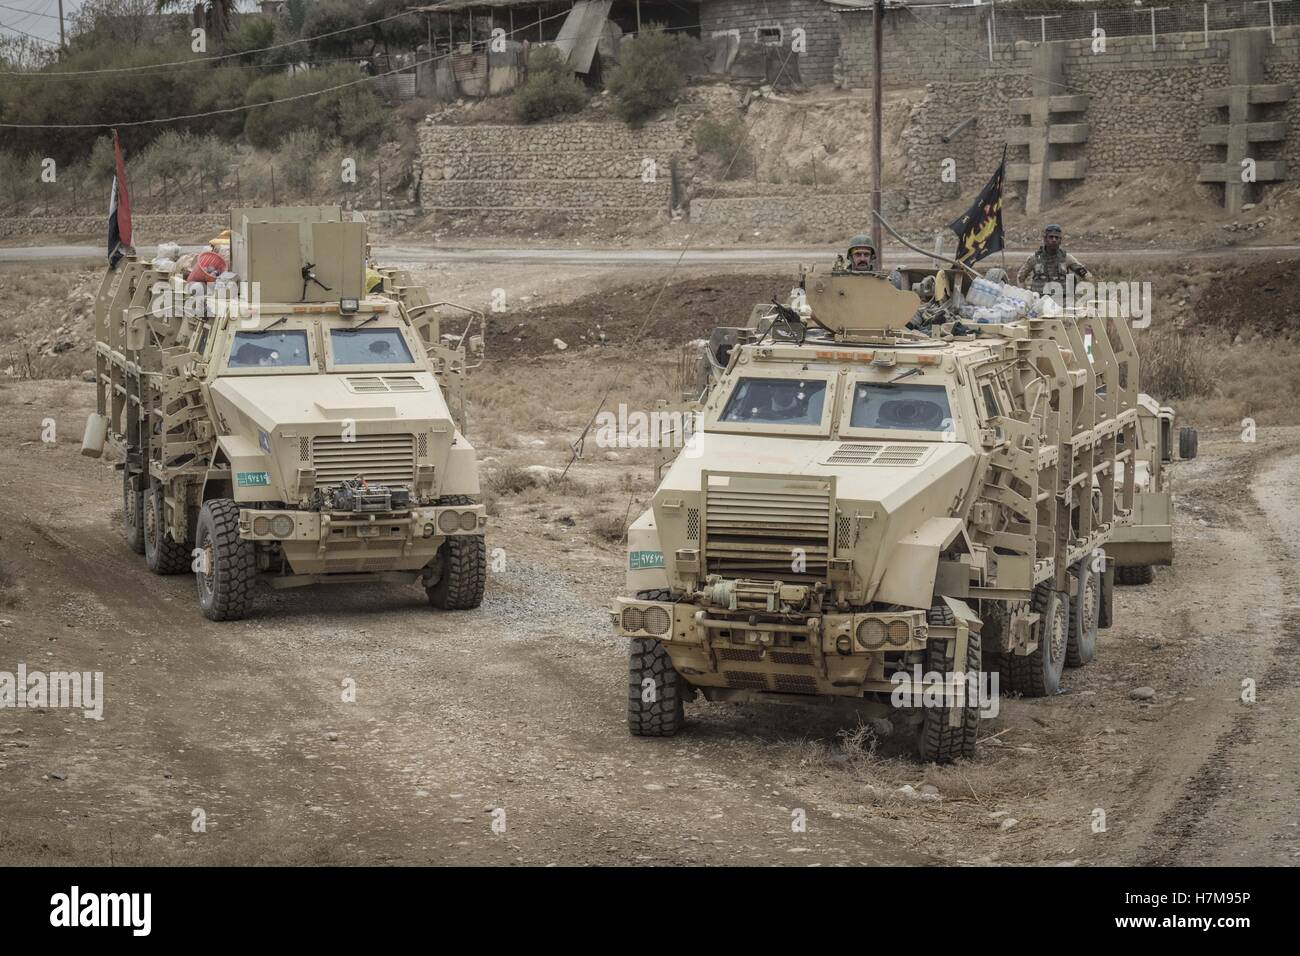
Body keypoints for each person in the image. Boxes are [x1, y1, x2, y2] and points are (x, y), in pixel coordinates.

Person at [1016, 224, 1088, 293]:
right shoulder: (1034, 258)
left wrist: (1085, 294)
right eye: (1051, 237)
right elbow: (1020, 277)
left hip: (1062, 303)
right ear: (1045, 239)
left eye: (1057, 238)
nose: (1054, 240)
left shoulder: (1067, 258)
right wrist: (1024, 296)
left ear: (1060, 240)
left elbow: (1086, 275)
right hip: (1040, 302)